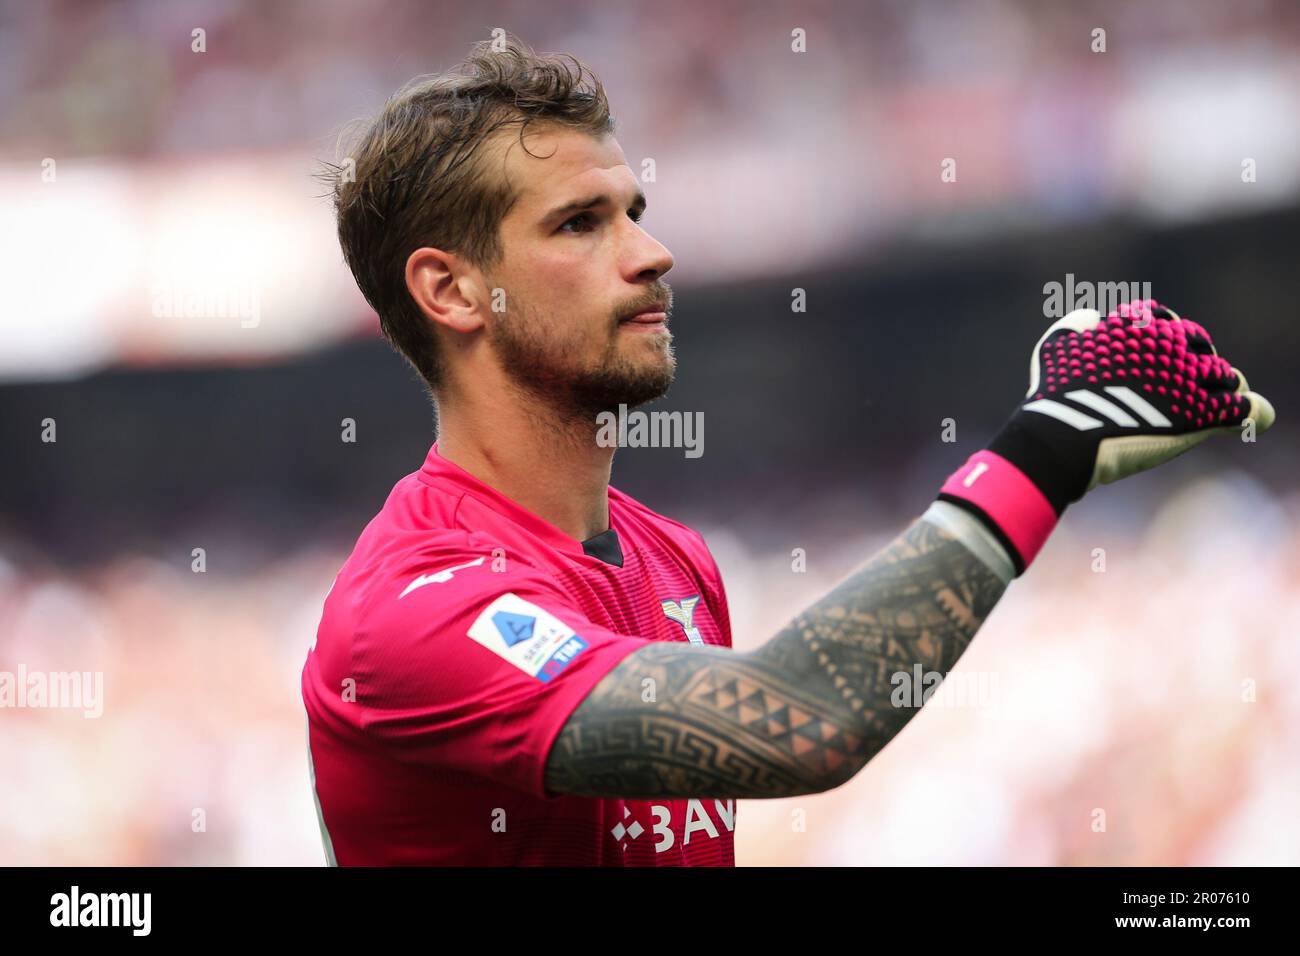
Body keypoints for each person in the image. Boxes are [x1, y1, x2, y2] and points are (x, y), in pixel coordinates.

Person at [301, 35, 1275, 866]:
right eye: (579, 224)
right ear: (454, 291)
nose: (649, 253)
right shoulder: (409, 609)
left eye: (632, 211)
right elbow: (802, 715)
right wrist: (1044, 447)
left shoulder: (675, 559)